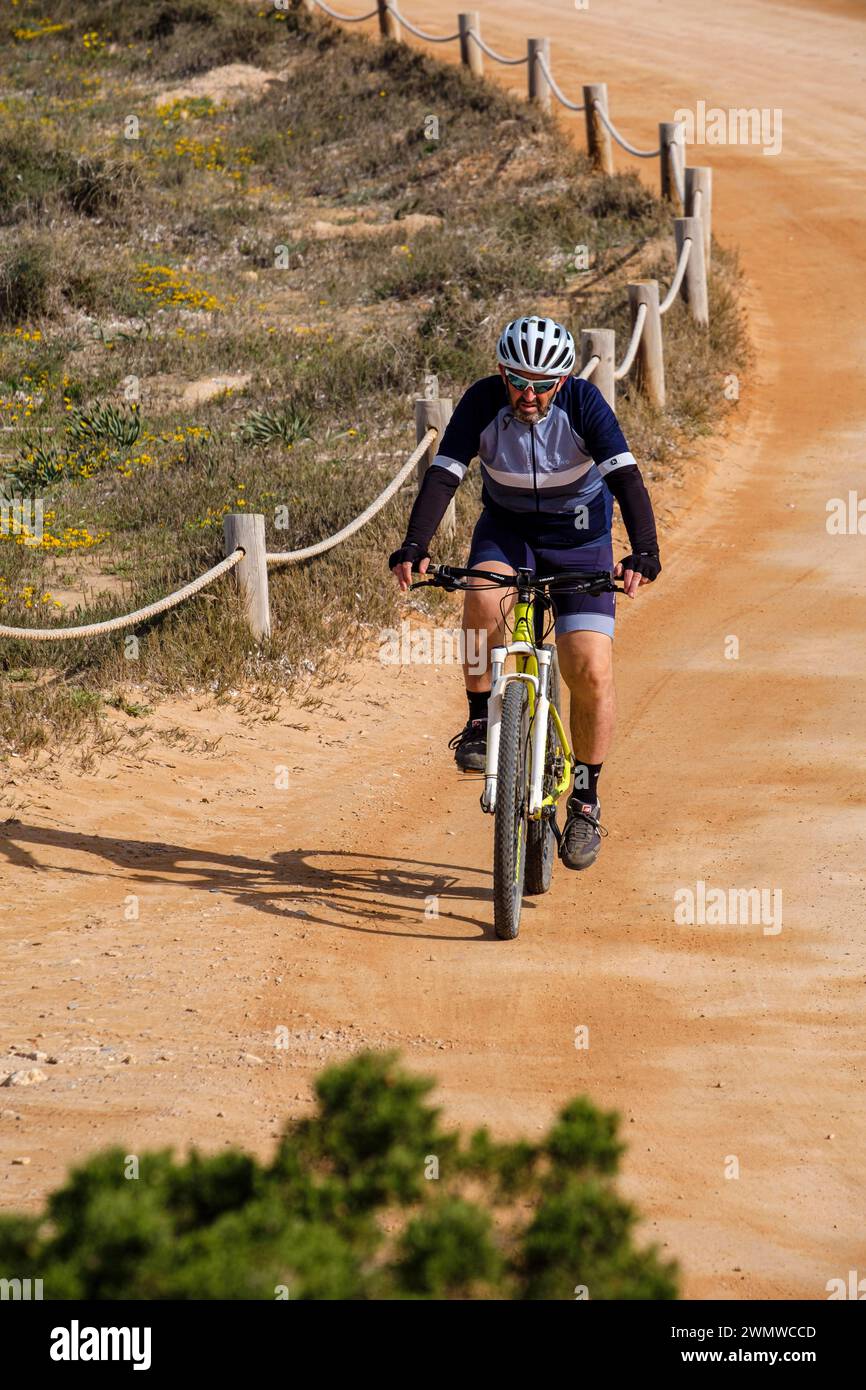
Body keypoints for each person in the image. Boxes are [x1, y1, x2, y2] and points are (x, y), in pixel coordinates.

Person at [389, 315, 660, 870]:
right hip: (508, 530)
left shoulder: (584, 405)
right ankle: (478, 718)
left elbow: (626, 479)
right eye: (518, 381)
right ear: (501, 372)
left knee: (588, 666)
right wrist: (415, 543)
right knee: (481, 597)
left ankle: (585, 800)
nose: (529, 395)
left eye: (542, 384)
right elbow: (445, 474)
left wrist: (645, 551)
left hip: (580, 537)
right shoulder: (482, 401)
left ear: (561, 381)